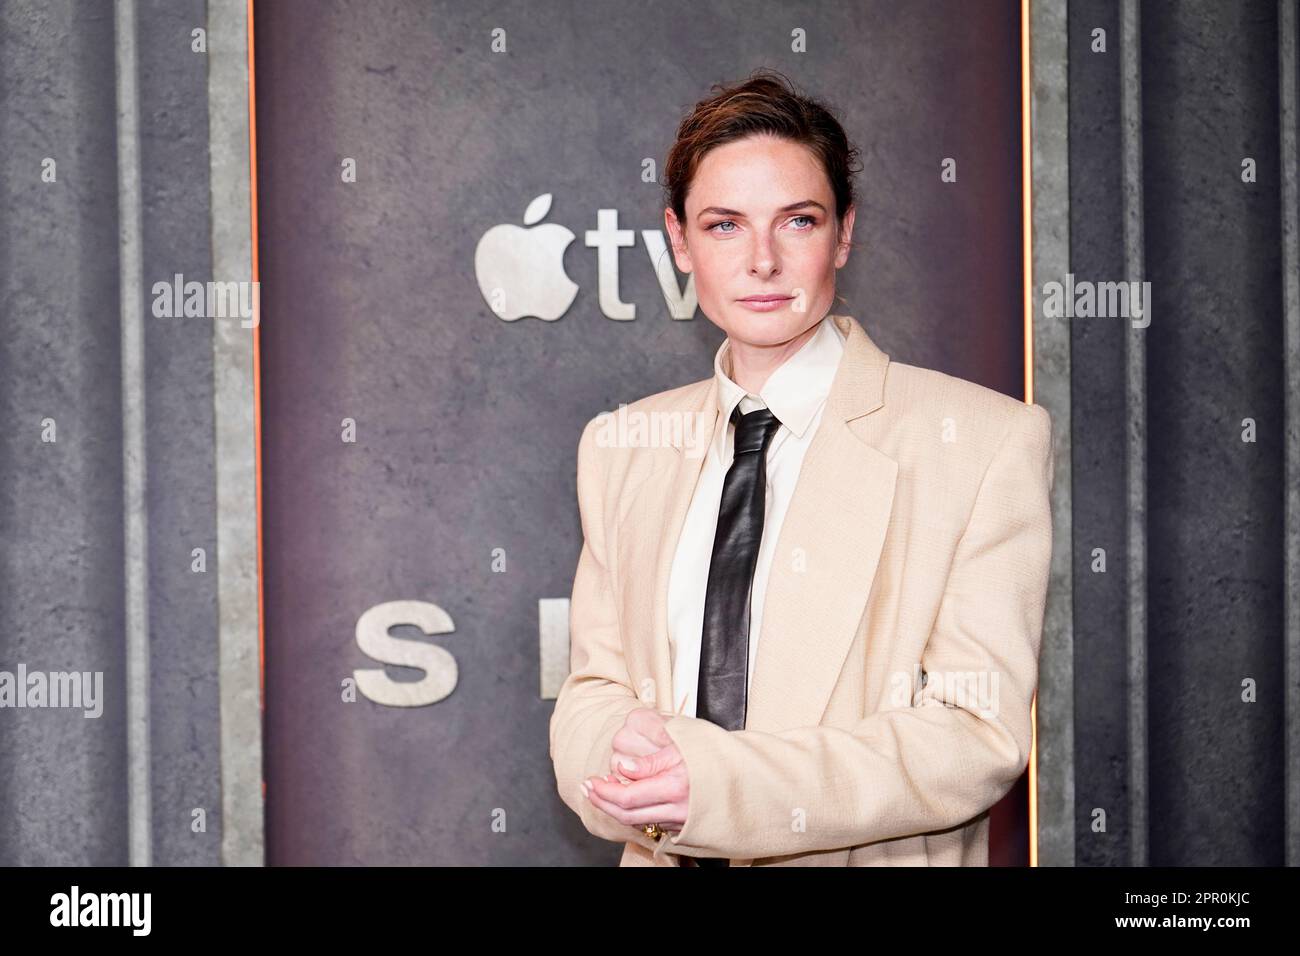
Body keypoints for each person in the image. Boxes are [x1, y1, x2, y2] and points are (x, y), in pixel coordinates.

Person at [549, 68, 1054, 867]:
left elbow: (974, 734)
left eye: (798, 221)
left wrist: (716, 785)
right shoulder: (623, 447)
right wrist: (619, 750)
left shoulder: (984, 440)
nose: (762, 261)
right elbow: (593, 689)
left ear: (843, 234)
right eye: (723, 226)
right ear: (677, 239)